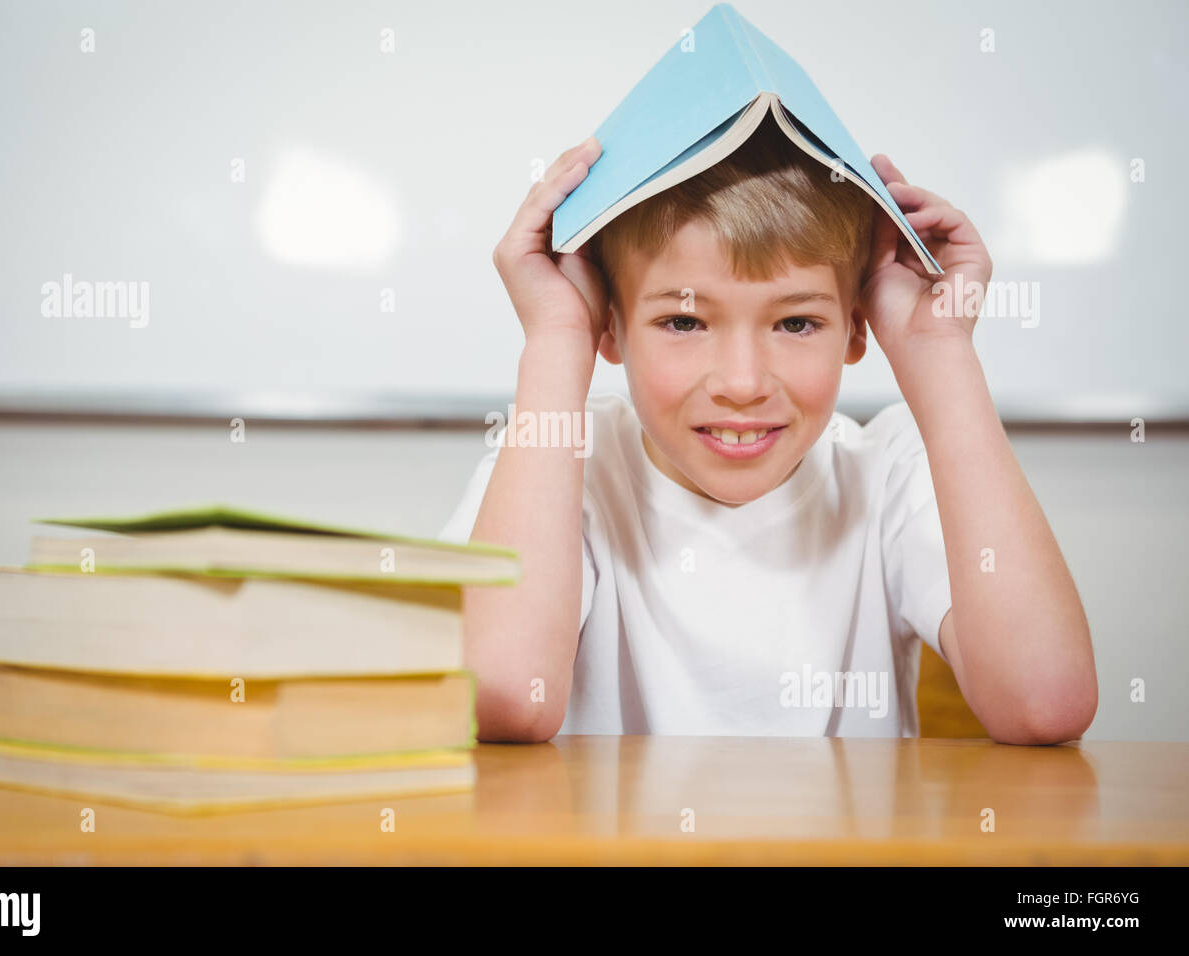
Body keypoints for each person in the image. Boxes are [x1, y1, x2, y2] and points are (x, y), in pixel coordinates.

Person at [439, 129, 1097, 743]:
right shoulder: (552, 458)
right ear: (609, 327)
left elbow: (1045, 703)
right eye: (685, 323)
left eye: (796, 324)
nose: (743, 383)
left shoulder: (890, 469)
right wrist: (557, 337)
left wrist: (939, 350)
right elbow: (502, 694)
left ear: (857, 328)